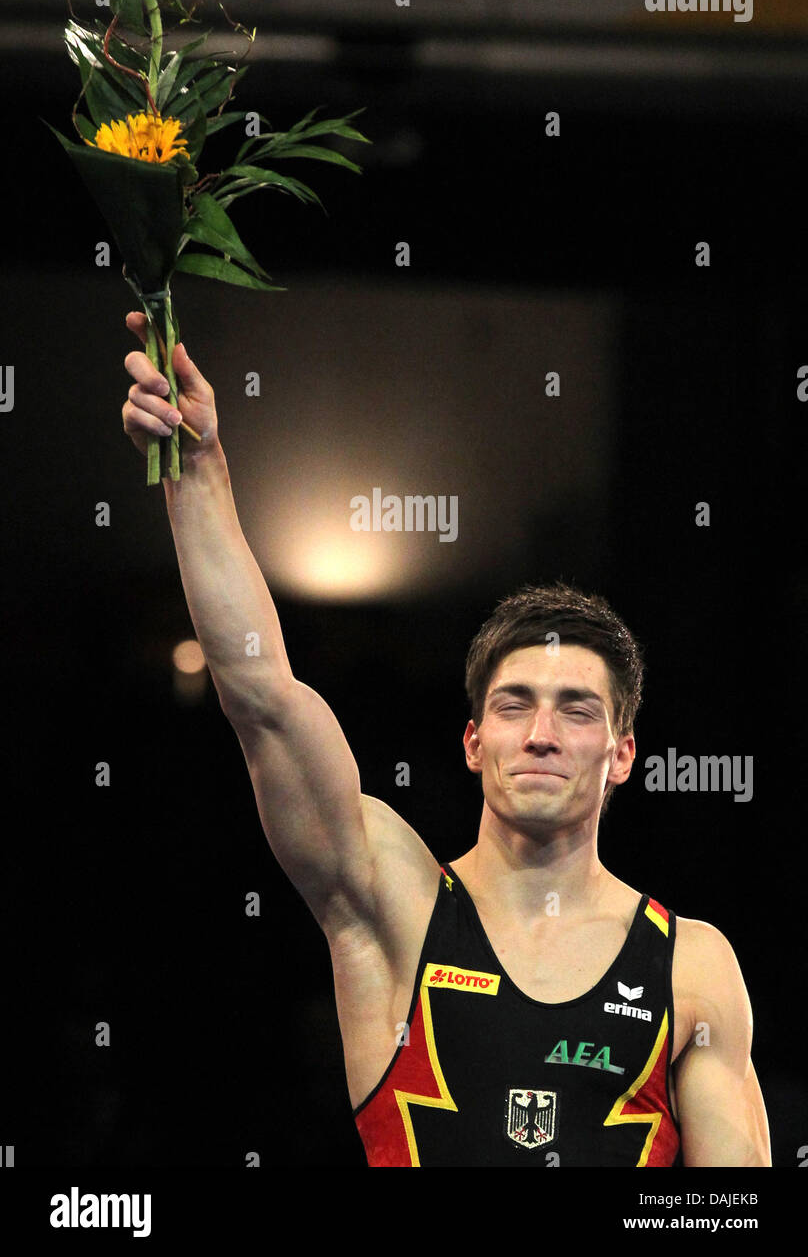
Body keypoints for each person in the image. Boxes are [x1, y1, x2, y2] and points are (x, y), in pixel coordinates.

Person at [122, 313, 771, 1168]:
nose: (542, 734)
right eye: (514, 706)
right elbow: (265, 701)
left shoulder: (691, 963)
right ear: (471, 742)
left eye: (577, 710)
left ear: (621, 755)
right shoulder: (394, 905)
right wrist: (198, 472)